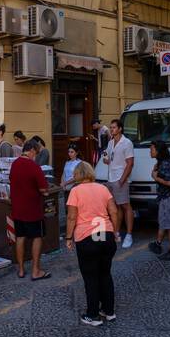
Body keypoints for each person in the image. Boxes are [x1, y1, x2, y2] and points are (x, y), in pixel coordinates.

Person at [64, 162, 118, 326]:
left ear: (78, 175)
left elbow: (72, 217)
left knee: (90, 276)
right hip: (104, 233)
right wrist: (114, 232)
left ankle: (92, 315)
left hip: (87, 236)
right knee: (105, 273)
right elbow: (114, 211)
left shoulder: (75, 191)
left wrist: (68, 237)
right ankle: (109, 311)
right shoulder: (102, 188)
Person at [9, 138, 50, 281]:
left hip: (17, 209)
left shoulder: (14, 164)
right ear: (31, 150)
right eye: (36, 153)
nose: (36, 156)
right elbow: (44, 190)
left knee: (20, 237)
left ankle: (20, 270)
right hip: (32, 209)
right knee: (37, 238)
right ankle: (35, 271)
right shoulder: (34, 167)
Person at [102, 118, 135, 249]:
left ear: (120, 129)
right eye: (110, 127)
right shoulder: (110, 143)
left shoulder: (127, 143)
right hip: (111, 177)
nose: (111, 129)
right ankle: (117, 232)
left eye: (114, 127)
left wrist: (122, 179)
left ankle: (129, 235)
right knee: (117, 207)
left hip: (121, 178)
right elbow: (109, 159)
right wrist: (106, 159)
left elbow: (130, 163)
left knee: (126, 206)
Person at [148, 140, 170, 261]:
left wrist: (156, 178)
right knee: (164, 222)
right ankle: (158, 243)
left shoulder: (165, 164)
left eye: (151, 149)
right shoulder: (160, 163)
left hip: (168, 198)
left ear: (158, 150)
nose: (150, 151)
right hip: (164, 198)